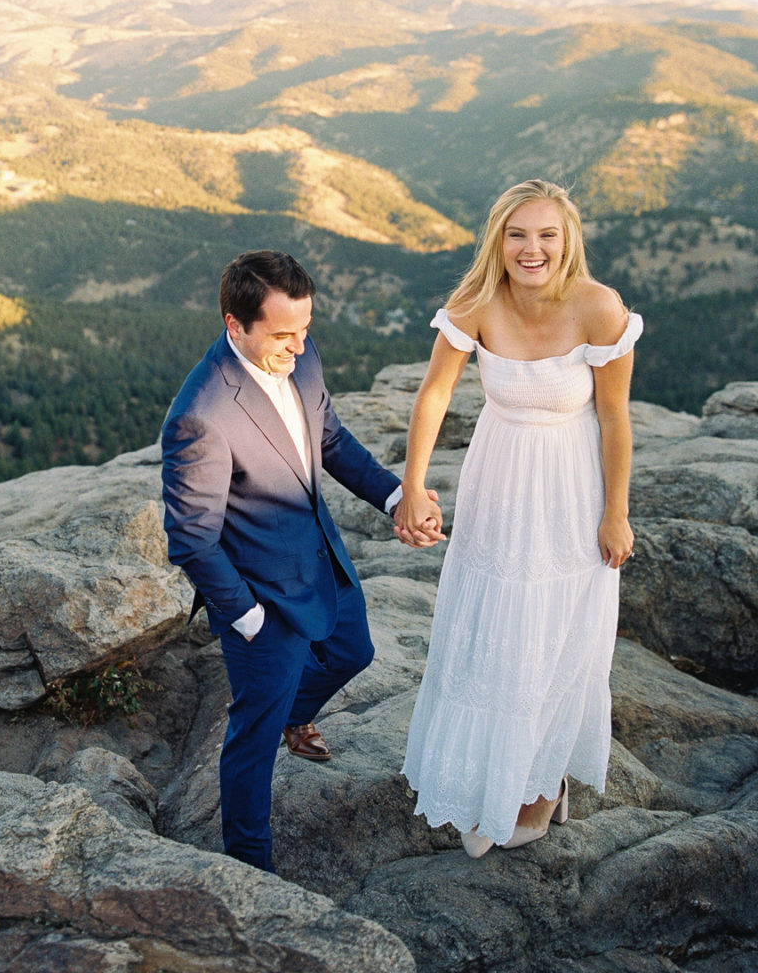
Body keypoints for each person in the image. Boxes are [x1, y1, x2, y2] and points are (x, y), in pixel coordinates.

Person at [161, 249, 441, 872]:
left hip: (323, 562)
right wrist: (248, 618)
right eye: (283, 333)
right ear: (236, 326)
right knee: (251, 742)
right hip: (261, 599)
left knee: (355, 652)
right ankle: (249, 866)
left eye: (305, 328)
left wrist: (398, 496)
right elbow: (190, 538)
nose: (299, 345)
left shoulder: (301, 356)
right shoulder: (201, 417)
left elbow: (330, 439)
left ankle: (296, 714)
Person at [396, 179, 640, 857]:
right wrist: (413, 486)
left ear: (568, 242)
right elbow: (434, 394)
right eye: (518, 235)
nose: (532, 249)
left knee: (555, 632)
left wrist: (616, 514)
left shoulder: (600, 308)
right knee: (493, 628)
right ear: (498, 241)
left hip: (570, 483)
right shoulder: (475, 303)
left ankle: (539, 784)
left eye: (547, 235)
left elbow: (616, 417)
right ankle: (492, 782)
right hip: (498, 477)